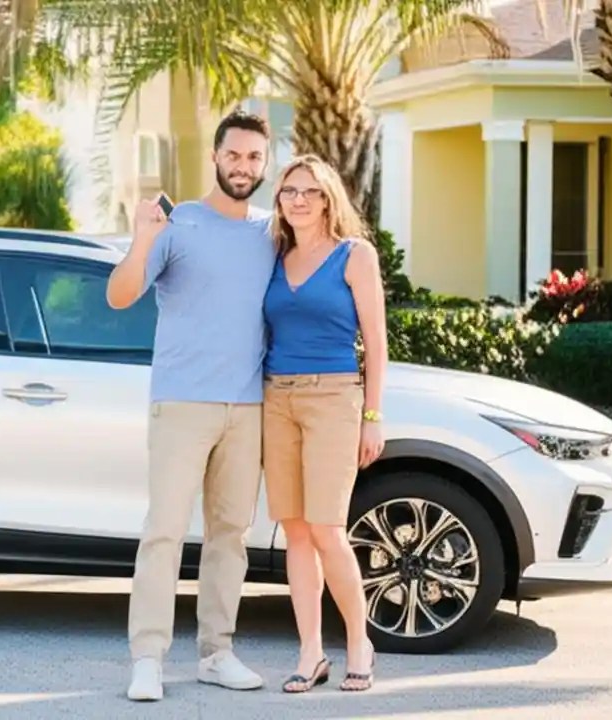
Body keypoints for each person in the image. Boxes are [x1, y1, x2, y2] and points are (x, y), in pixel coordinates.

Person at [106, 110, 277, 702]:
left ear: (265, 163)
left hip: (248, 408)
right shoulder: (178, 226)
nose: (243, 166)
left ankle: (216, 652)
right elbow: (120, 294)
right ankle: (147, 658)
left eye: (255, 157)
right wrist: (141, 240)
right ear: (215, 156)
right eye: (234, 155)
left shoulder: (271, 232)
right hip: (181, 403)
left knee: (230, 535)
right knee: (165, 533)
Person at [260, 154, 387, 693]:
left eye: (311, 191)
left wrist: (372, 416)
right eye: (290, 190)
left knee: (328, 530)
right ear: (280, 199)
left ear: (329, 198)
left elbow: (377, 343)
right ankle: (311, 651)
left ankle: (359, 641)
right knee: (294, 531)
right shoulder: (273, 254)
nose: (299, 199)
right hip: (276, 398)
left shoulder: (353, 255)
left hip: (335, 397)